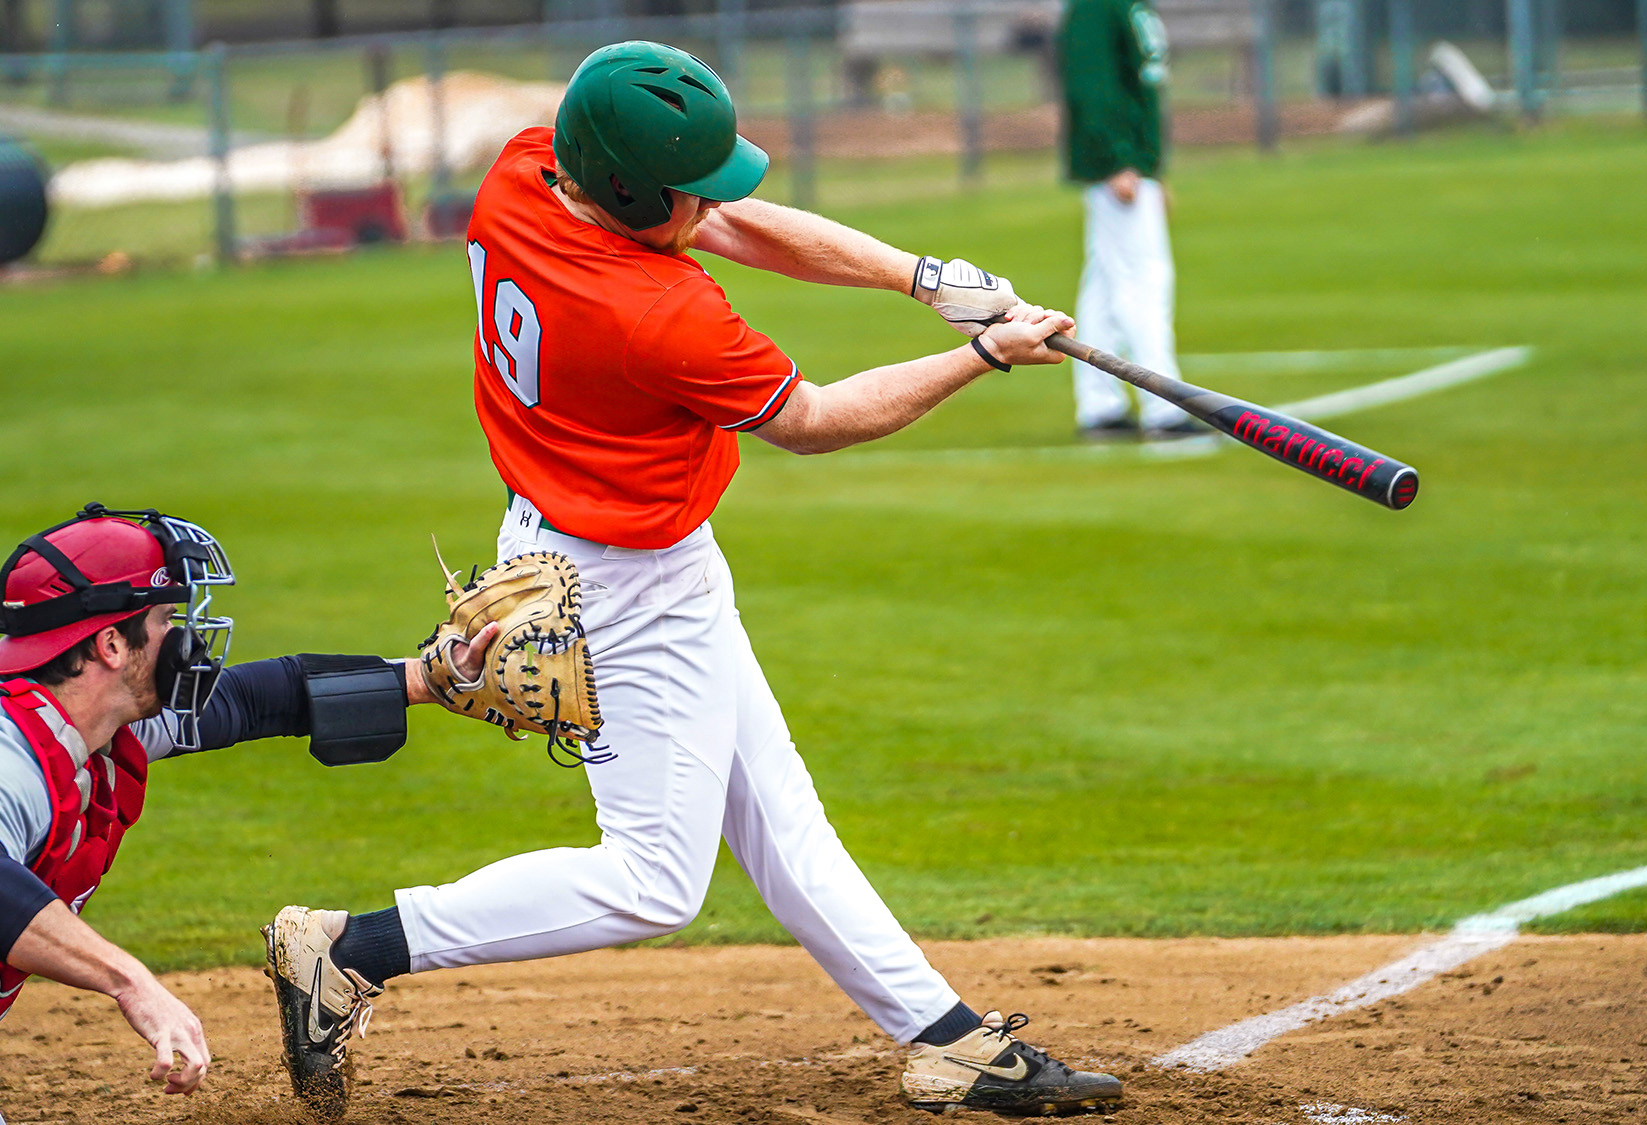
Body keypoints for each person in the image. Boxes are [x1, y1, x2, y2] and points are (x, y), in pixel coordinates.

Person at [261, 40, 1124, 1120]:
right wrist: (981, 357)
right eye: (686, 187)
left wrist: (921, 277)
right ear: (629, 190)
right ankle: (353, 948)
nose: (706, 205)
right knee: (653, 880)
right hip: (620, 584)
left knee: (779, 816)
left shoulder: (528, 172)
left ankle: (947, 1041)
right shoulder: (654, 314)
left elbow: (721, 218)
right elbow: (811, 422)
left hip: (587, 539)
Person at [0, 504, 493, 1108]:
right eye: (166, 620)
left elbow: (261, 699)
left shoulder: (95, 726)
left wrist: (436, 679)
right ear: (110, 644)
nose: (186, 638)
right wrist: (133, 983)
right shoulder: (14, 755)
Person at [1058, 0, 1199, 440]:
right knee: (1143, 279)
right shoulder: (1097, 7)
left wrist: (1150, 166)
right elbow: (1092, 84)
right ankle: (1165, 407)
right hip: (1117, 164)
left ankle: (1099, 405)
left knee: (1105, 283)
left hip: (1134, 164)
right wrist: (1119, 159)